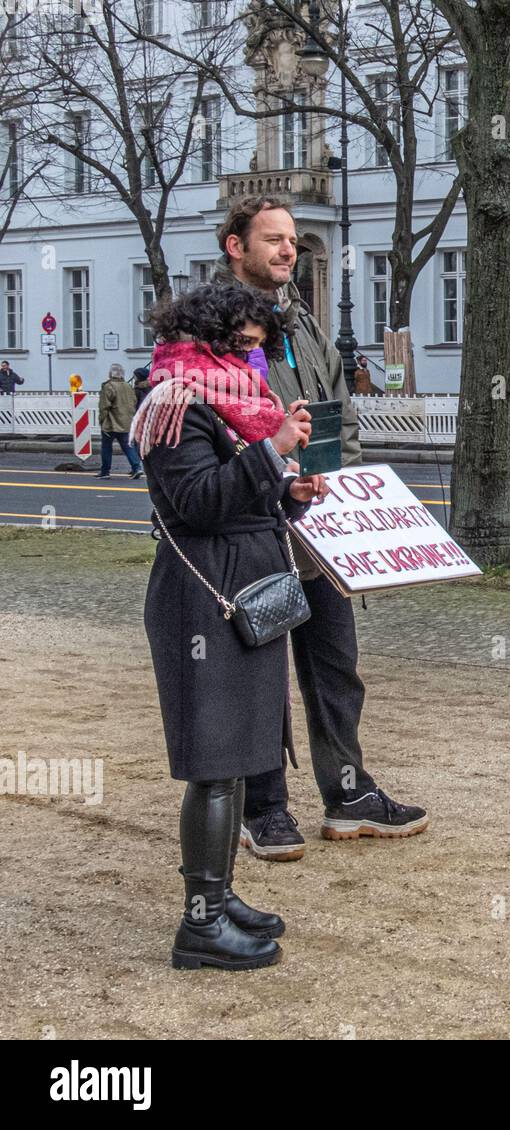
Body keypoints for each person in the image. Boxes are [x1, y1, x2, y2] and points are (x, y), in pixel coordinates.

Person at [213, 195, 427, 860]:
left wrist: (346, 499)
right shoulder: (221, 327)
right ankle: (265, 807)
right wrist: (274, 490)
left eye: (291, 242)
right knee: (263, 677)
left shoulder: (302, 322)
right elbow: (215, 431)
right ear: (235, 247)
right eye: (272, 239)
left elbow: (340, 419)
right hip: (258, 531)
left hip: (322, 530)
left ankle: (349, 793)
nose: (286, 250)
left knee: (336, 667)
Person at [132, 283, 328, 970]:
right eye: (240, 342)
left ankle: (219, 897)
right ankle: (201, 926)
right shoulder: (175, 401)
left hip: (245, 588)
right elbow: (197, 503)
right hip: (203, 599)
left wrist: (288, 494)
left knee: (245, 754)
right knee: (215, 765)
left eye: (258, 344)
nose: (252, 355)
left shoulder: (232, 403)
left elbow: (244, 499)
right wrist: (271, 454)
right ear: (207, 337)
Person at [96, 363, 144, 479]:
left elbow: (104, 407)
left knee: (106, 447)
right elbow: (133, 402)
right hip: (126, 422)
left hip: (111, 423)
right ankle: (136, 467)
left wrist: (101, 421)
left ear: (110, 374)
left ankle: (105, 471)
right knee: (128, 446)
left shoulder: (109, 386)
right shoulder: (128, 386)